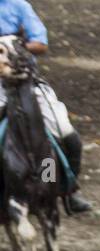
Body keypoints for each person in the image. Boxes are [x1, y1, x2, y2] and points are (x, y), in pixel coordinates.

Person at [0, 0, 92, 212]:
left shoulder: (18, 6)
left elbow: (40, 44)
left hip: (27, 83)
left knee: (64, 134)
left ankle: (63, 189)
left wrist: (11, 46)